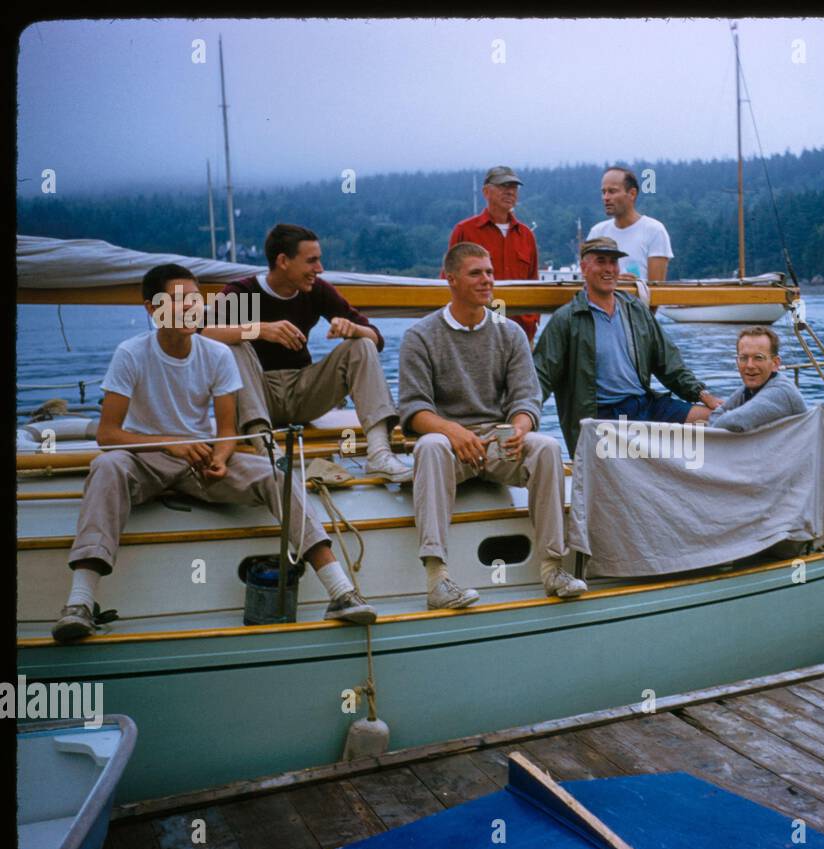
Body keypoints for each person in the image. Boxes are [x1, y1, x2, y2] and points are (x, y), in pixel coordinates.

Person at [52, 264, 376, 643]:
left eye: (195, 300)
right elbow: (108, 434)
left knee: (276, 473)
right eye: (178, 301)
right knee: (107, 466)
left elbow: (225, 431)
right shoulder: (131, 354)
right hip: (145, 459)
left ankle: (339, 590)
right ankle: (79, 602)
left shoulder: (216, 354)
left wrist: (221, 456)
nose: (191, 308)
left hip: (200, 459)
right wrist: (169, 443)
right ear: (152, 308)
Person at [399, 242, 587, 609]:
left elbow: (525, 399)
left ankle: (552, 568)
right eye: (476, 273)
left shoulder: (510, 333)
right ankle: (438, 578)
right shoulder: (420, 336)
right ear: (450, 280)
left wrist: (519, 428)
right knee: (430, 446)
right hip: (450, 446)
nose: (487, 280)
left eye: (489, 272)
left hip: (498, 445)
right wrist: (452, 431)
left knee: (546, 446)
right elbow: (413, 409)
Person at [201, 223, 412, 482]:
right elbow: (203, 334)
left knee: (362, 344)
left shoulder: (317, 290)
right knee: (235, 343)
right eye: (311, 261)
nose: (319, 269)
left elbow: (376, 339)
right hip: (255, 395)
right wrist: (258, 330)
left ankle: (379, 453)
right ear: (283, 261)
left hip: (302, 393)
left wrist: (353, 327)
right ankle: (268, 450)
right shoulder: (243, 292)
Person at [532, 237, 722, 457]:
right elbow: (541, 377)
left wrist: (702, 393)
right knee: (632, 463)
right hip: (603, 417)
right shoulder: (566, 320)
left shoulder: (636, 310)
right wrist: (524, 417)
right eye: (600, 261)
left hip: (646, 406)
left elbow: (670, 364)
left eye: (613, 262)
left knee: (717, 420)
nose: (608, 269)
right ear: (584, 268)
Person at [447, 165, 541, 344]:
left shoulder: (527, 235)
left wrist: (532, 322)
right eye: (502, 186)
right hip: (474, 334)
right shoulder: (464, 231)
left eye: (513, 188)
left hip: (520, 334)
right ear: (486, 192)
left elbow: (533, 281)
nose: (509, 192)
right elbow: (448, 282)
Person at [708, 325, 807, 432]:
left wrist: (715, 424)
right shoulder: (750, 388)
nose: (750, 365)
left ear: (775, 363)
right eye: (743, 358)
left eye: (758, 358)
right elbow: (717, 413)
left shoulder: (780, 392)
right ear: (737, 361)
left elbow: (734, 421)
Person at [586, 166, 673, 282]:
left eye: (612, 191)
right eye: (603, 192)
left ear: (632, 194)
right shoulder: (597, 232)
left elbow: (657, 290)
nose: (606, 198)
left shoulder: (654, 231)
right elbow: (586, 279)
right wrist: (614, 281)